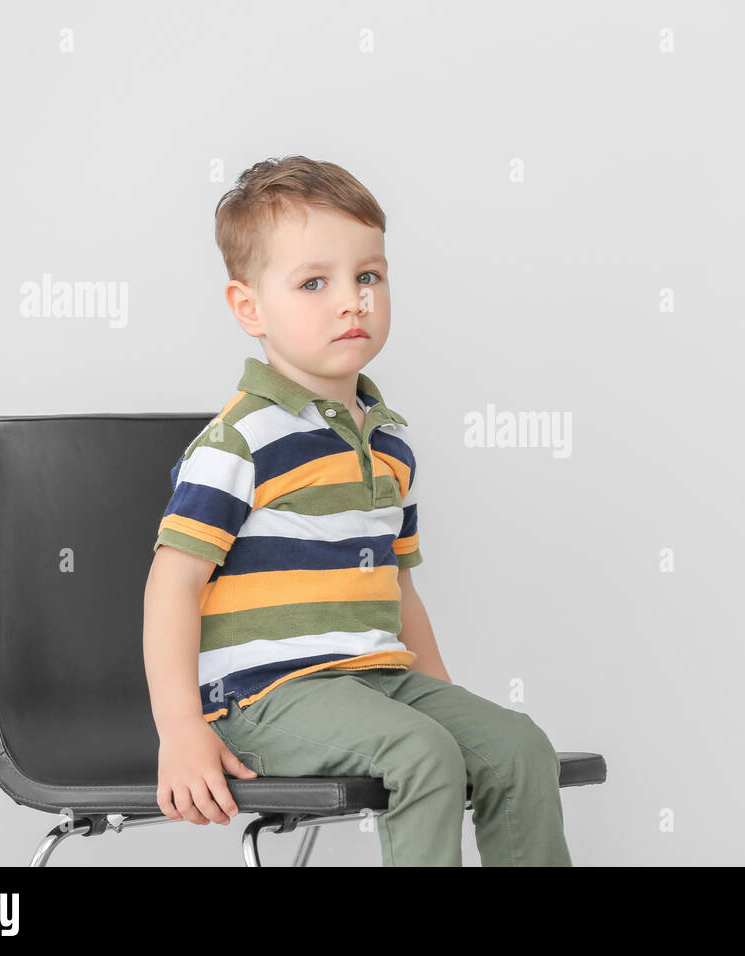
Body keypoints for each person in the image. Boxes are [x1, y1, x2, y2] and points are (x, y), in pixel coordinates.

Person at [141, 155, 572, 866]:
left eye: (367, 276)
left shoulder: (390, 442)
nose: (352, 301)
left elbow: (400, 586)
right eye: (314, 283)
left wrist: (444, 700)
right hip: (264, 698)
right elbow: (172, 583)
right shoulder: (241, 442)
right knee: (421, 753)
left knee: (518, 747)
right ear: (249, 308)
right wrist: (181, 727)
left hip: (377, 678)